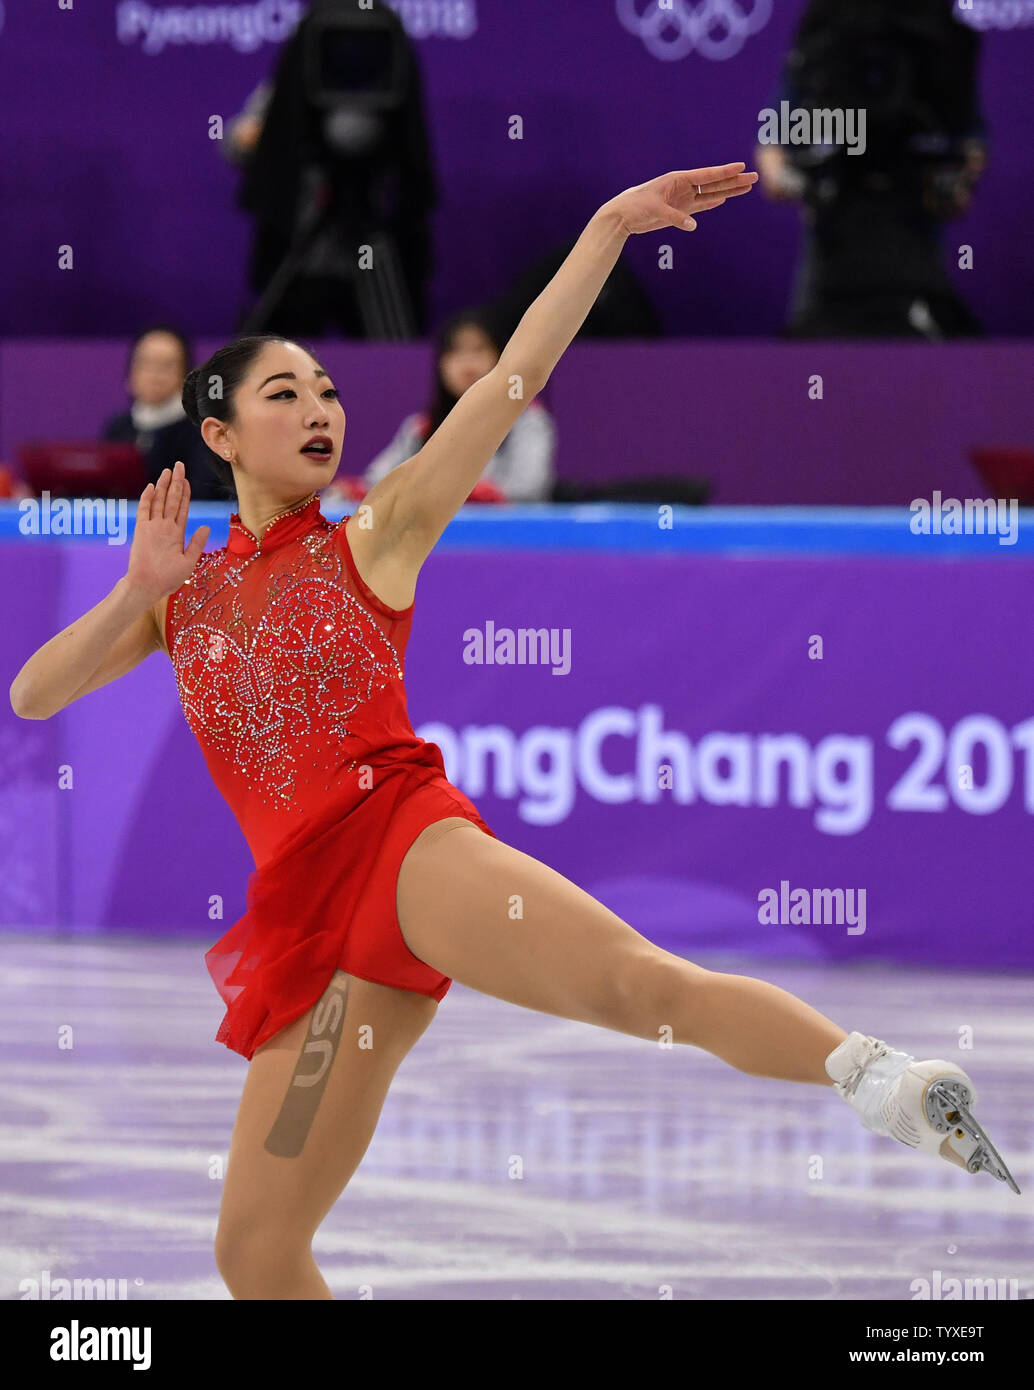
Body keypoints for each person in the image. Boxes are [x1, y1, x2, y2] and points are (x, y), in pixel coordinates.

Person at [10, 165, 1018, 1300]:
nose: (321, 409)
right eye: (285, 393)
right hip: (313, 930)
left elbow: (508, 381)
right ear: (219, 433)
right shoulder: (176, 594)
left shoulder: (374, 534)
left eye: (328, 389)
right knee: (253, 1249)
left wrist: (601, 228)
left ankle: (875, 1077)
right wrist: (128, 591)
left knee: (640, 989)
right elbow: (34, 697)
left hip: (402, 853)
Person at [755, 0, 987, 338]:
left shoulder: (934, 46)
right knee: (810, 369)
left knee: (923, 369)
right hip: (831, 245)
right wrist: (800, 182)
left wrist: (955, 182)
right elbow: (771, 152)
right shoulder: (825, 42)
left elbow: (970, 142)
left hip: (915, 243)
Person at [337, 310, 555, 505]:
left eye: (479, 350)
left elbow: (528, 488)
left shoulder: (526, 420)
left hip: (506, 542)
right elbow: (377, 484)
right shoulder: (421, 427)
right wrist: (352, 492)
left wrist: (455, 495)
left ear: (500, 357)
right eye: (456, 352)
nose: (468, 364)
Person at [101, 327, 225, 499]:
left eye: (166, 366)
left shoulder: (200, 430)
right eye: (146, 364)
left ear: (186, 375)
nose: (154, 375)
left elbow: (202, 494)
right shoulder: (118, 427)